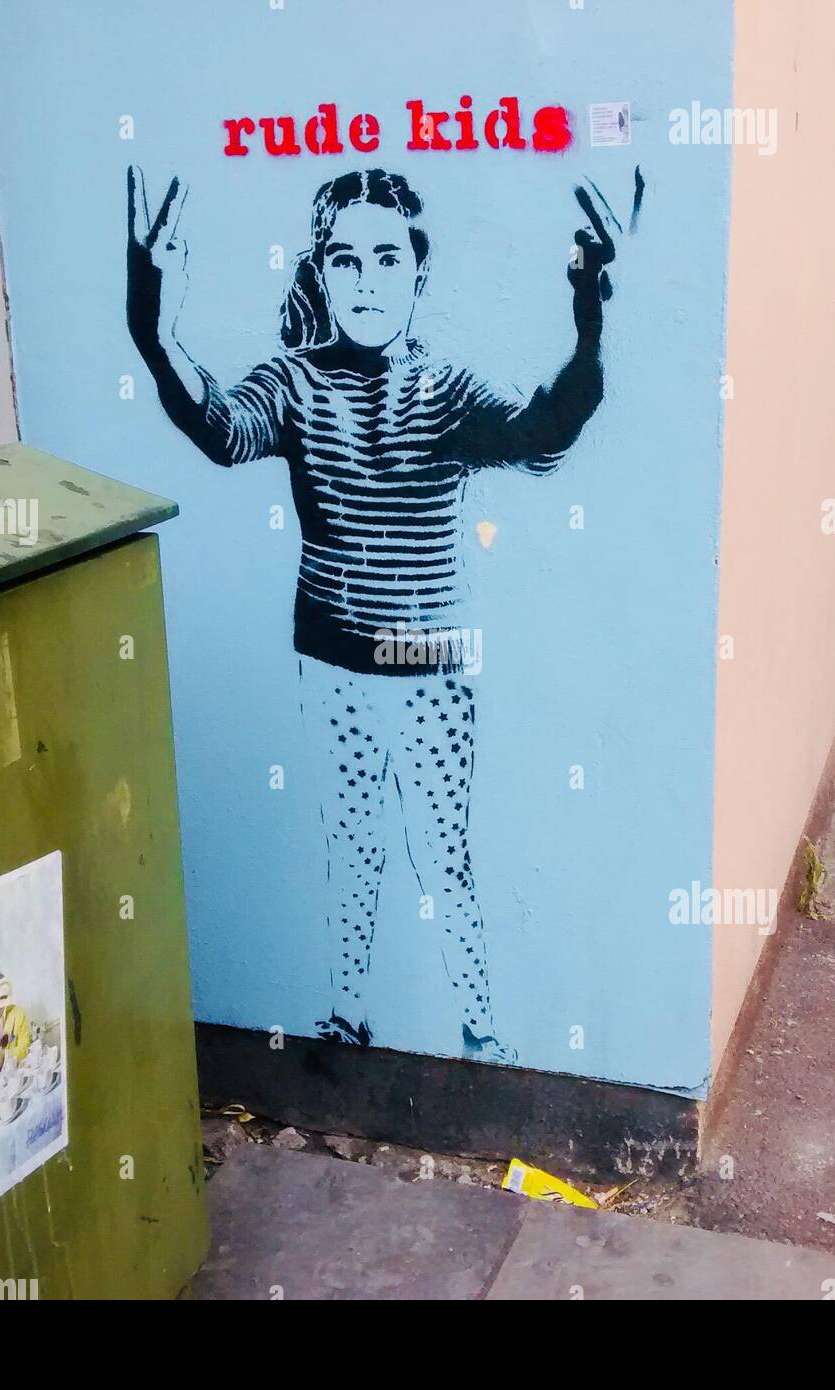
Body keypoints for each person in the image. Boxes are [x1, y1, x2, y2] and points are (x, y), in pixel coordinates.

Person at [127, 165, 632, 1063]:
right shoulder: (293, 383)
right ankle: (350, 1023)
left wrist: (590, 323)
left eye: (387, 259)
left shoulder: (444, 391)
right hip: (332, 663)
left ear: (417, 271)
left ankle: (481, 1035)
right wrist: (153, 328)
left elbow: (543, 430)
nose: (367, 279)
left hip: (429, 667)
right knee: (351, 847)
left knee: (445, 857)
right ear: (320, 272)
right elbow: (219, 428)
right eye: (346, 259)